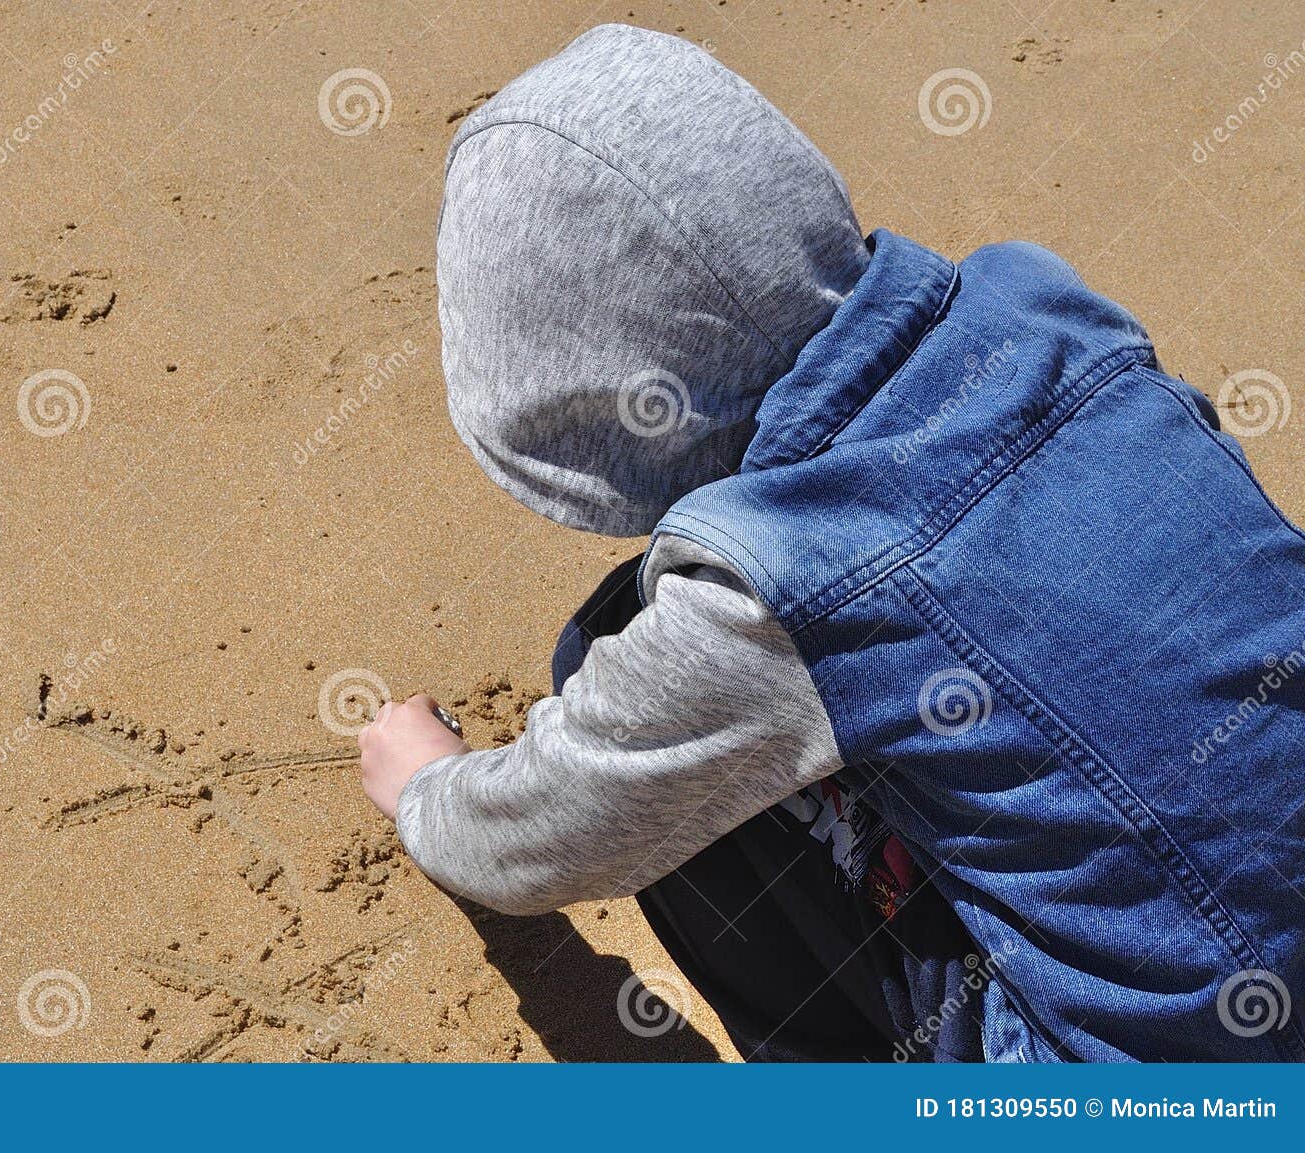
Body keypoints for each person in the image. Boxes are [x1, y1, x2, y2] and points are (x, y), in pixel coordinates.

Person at [357, 24, 1305, 1062]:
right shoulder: (1049, 319)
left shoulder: (777, 585)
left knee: (615, 649)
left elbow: (546, 831)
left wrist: (424, 788)